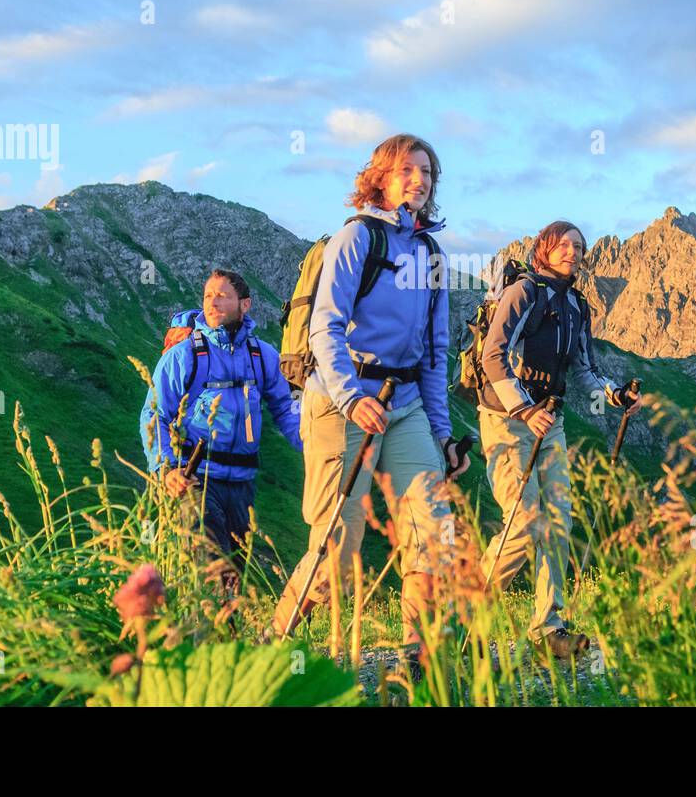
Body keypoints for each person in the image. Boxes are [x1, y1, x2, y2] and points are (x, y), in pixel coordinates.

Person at [271, 134, 469, 659]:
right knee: (338, 546)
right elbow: (324, 328)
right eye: (408, 169)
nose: (420, 180)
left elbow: (434, 351)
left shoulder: (431, 254)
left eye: (428, 171)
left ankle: (416, 657)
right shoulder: (358, 238)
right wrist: (349, 397)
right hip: (343, 404)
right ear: (381, 176)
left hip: (404, 405)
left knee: (434, 528)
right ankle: (274, 644)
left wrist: (443, 433)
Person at [475, 220, 641, 659]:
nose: (573, 251)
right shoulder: (524, 293)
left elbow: (583, 368)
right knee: (524, 520)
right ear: (544, 248)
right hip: (507, 420)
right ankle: (464, 623)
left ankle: (549, 628)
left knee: (558, 520)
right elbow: (492, 356)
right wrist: (523, 409)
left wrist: (614, 395)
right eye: (564, 244)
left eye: (579, 246)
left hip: (551, 422)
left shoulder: (577, 306)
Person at [140, 268, 302, 573]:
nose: (212, 302)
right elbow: (154, 415)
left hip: (243, 484)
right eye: (208, 296)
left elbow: (285, 408)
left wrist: (318, 449)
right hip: (195, 478)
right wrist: (167, 468)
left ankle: (214, 621)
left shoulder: (263, 355)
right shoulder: (184, 355)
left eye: (223, 296)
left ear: (245, 304)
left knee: (235, 573)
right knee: (216, 570)